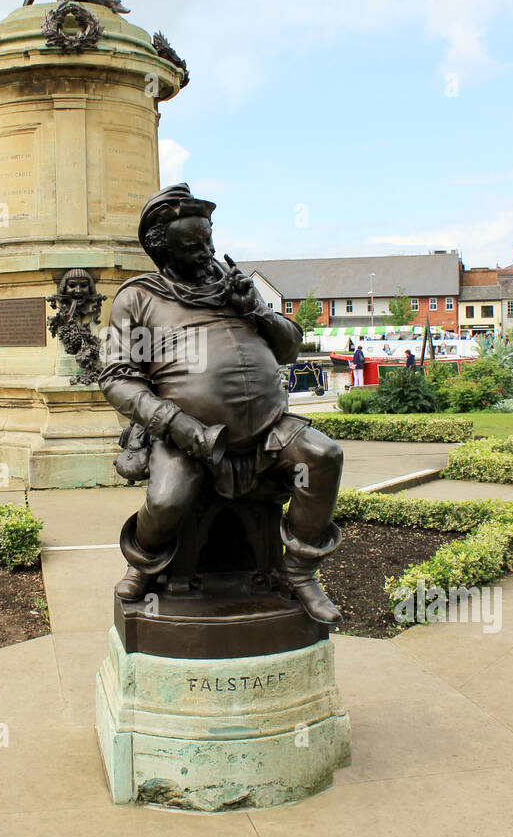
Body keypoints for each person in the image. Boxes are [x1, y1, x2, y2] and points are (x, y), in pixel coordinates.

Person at [99, 183, 345, 625]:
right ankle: (143, 563)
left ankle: (302, 571)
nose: (205, 252)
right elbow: (117, 378)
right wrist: (173, 423)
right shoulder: (139, 297)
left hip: (269, 429)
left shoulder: (236, 289)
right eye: (192, 246)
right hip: (189, 433)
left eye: (208, 241)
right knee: (170, 499)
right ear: (162, 249)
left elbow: (289, 349)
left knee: (324, 456)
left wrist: (259, 311)